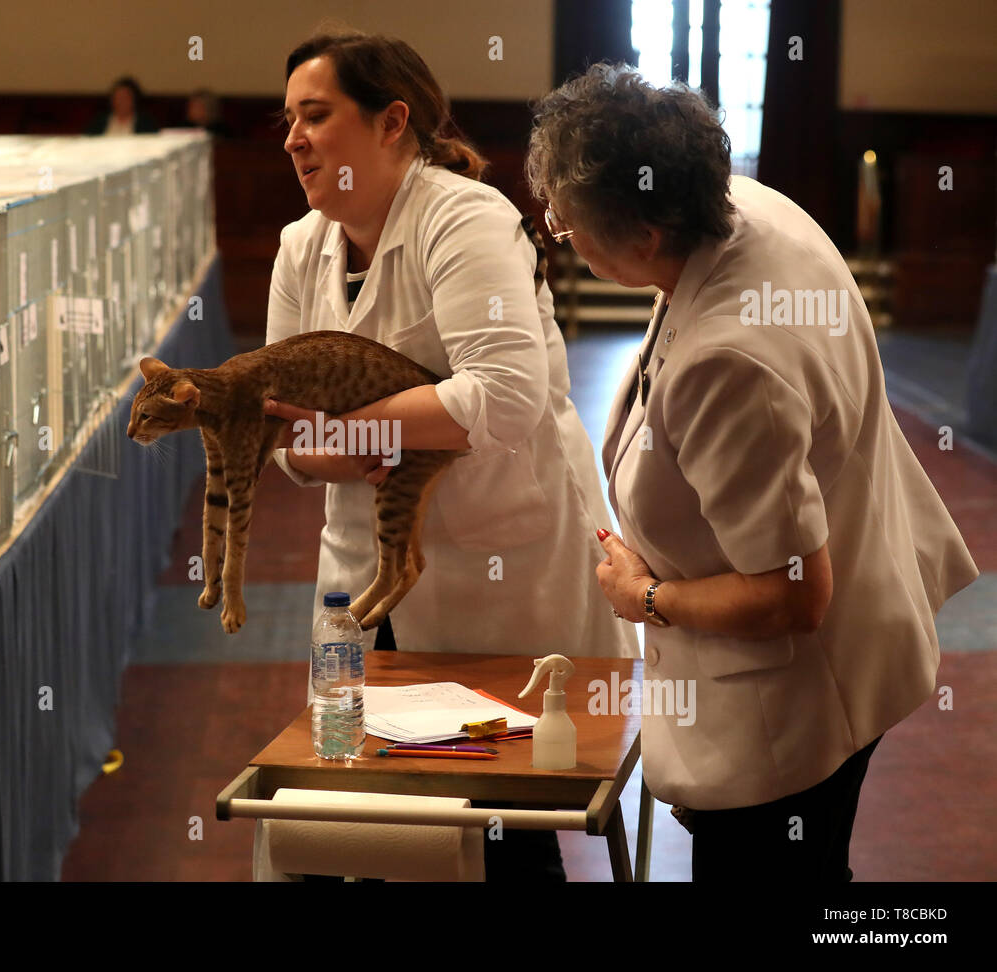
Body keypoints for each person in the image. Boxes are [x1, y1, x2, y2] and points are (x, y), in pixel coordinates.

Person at [523, 63, 979, 881]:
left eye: (565, 222)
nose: (558, 231)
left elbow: (792, 593)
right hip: (862, 627)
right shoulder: (739, 203)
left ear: (645, 236)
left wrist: (646, 599)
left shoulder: (729, 362)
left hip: (794, 703)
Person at [262, 31, 639, 882]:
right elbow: (282, 431)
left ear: (392, 122)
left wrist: (352, 428)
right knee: (369, 820)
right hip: (365, 575)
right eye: (287, 119)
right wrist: (344, 439)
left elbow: (504, 396)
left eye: (315, 116)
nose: (292, 139)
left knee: (496, 826)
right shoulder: (301, 247)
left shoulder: (466, 219)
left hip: (496, 565)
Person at [86, 76, 160, 135]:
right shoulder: (99, 121)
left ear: (134, 99)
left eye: (125, 97)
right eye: (117, 97)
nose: (121, 102)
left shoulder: (145, 123)